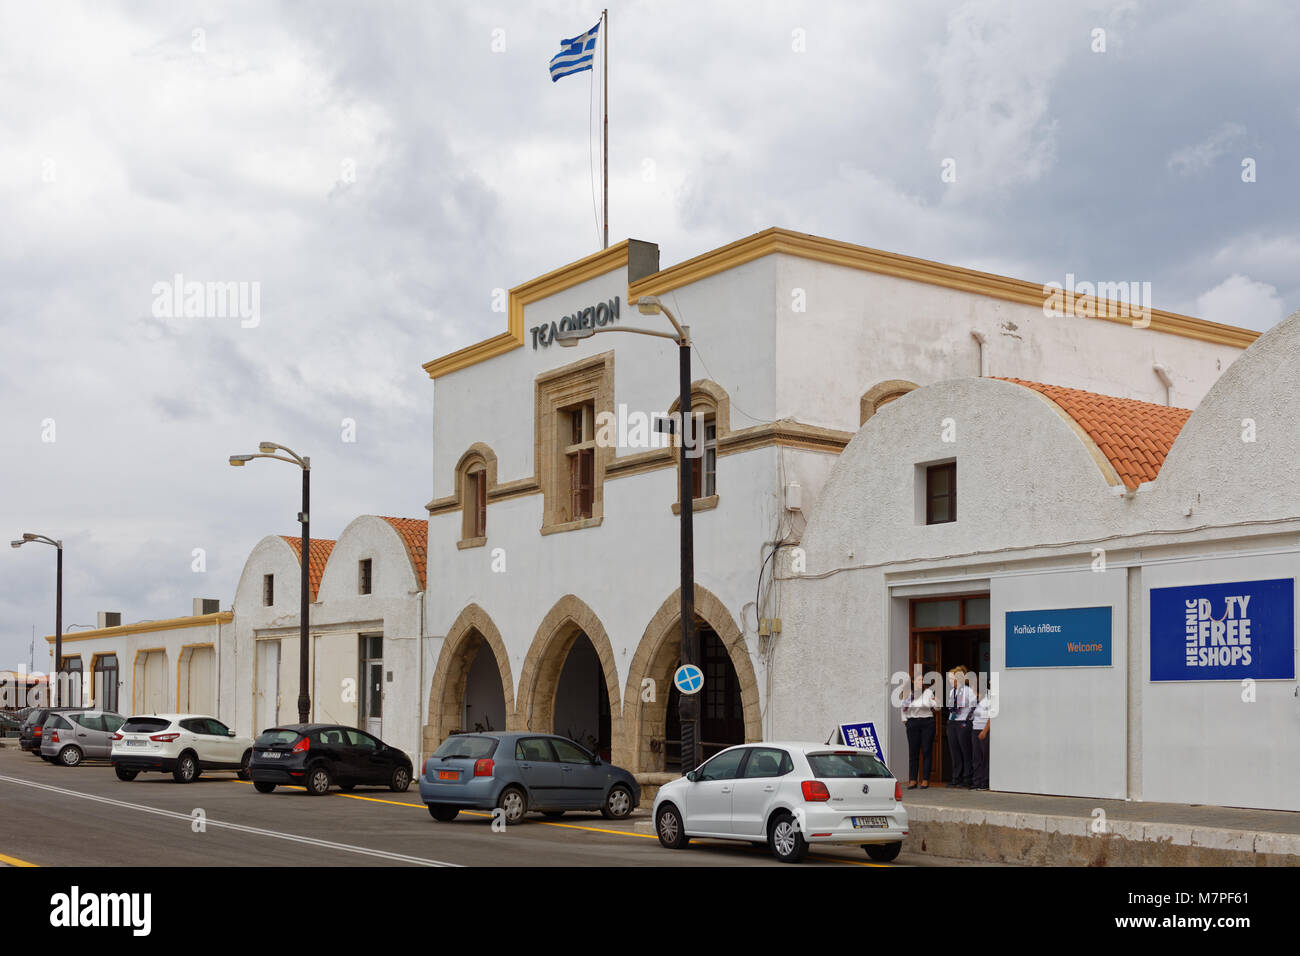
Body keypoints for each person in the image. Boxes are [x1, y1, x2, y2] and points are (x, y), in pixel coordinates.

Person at [901, 671, 938, 789]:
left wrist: (936, 701)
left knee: (926, 751)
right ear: (913, 681)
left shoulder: (927, 692)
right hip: (912, 723)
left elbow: (936, 707)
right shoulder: (908, 693)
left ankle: (925, 779)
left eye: (922, 680)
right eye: (919, 680)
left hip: (927, 722)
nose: (921, 682)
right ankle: (913, 780)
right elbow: (903, 710)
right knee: (913, 752)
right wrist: (906, 722)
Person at [946, 665, 976, 788]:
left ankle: (967, 777)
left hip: (963, 722)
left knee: (965, 751)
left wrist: (968, 720)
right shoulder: (951, 691)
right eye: (949, 678)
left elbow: (974, 707)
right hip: (952, 722)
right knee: (954, 751)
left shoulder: (968, 691)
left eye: (951, 678)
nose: (949, 680)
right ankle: (956, 777)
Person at [970, 684, 992, 791]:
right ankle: (976, 781)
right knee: (976, 757)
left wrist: (984, 731)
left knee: (985, 757)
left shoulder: (989, 699)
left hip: (984, 730)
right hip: (975, 729)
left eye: (974, 690)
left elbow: (991, 717)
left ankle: (985, 782)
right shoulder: (975, 700)